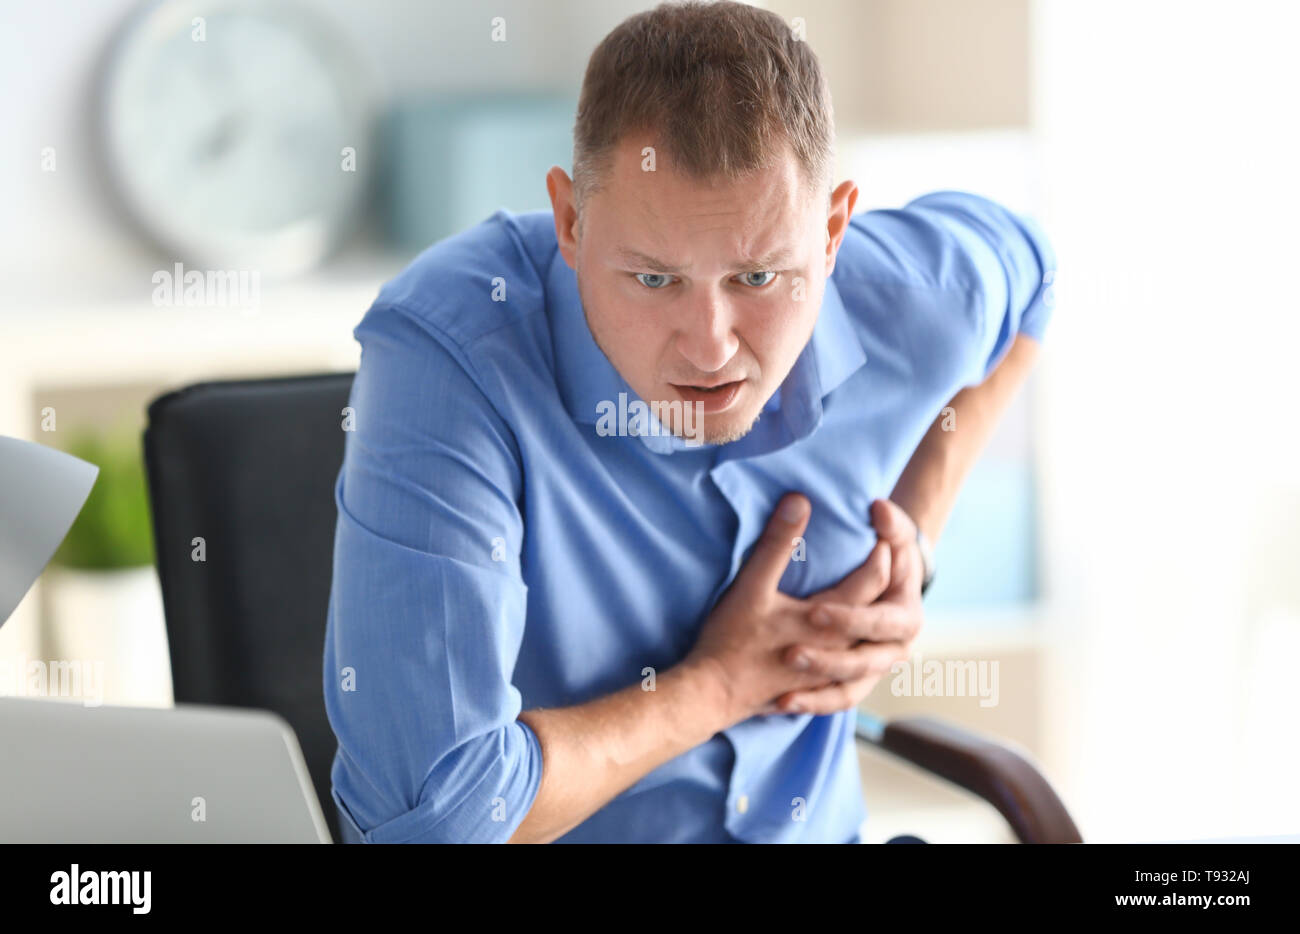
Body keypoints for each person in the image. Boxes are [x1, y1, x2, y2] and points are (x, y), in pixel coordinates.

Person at [324, 0, 1056, 843]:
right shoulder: (450, 350)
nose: (710, 349)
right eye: (652, 280)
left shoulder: (908, 295)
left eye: (756, 278)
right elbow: (441, 824)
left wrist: (917, 536)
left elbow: (1034, 280)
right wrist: (718, 684)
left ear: (832, 231)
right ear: (571, 222)